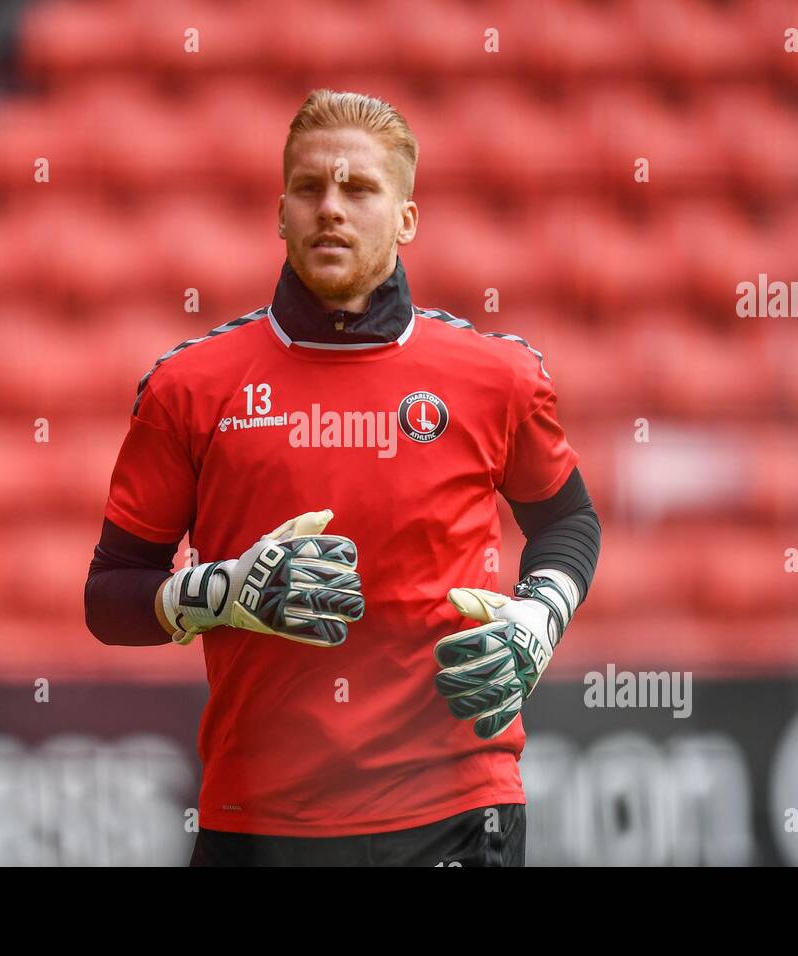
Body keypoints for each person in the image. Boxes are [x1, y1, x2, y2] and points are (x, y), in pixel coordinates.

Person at [85, 89, 601, 866]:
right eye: (309, 187)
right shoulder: (189, 388)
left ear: (406, 218)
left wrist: (540, 618)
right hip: (258, 818)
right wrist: (216, 593)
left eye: (359, 189)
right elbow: (109, 595)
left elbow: (568, 522)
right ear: (280, 212)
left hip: (457, 810)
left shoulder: (496, 378)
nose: (331, 207)